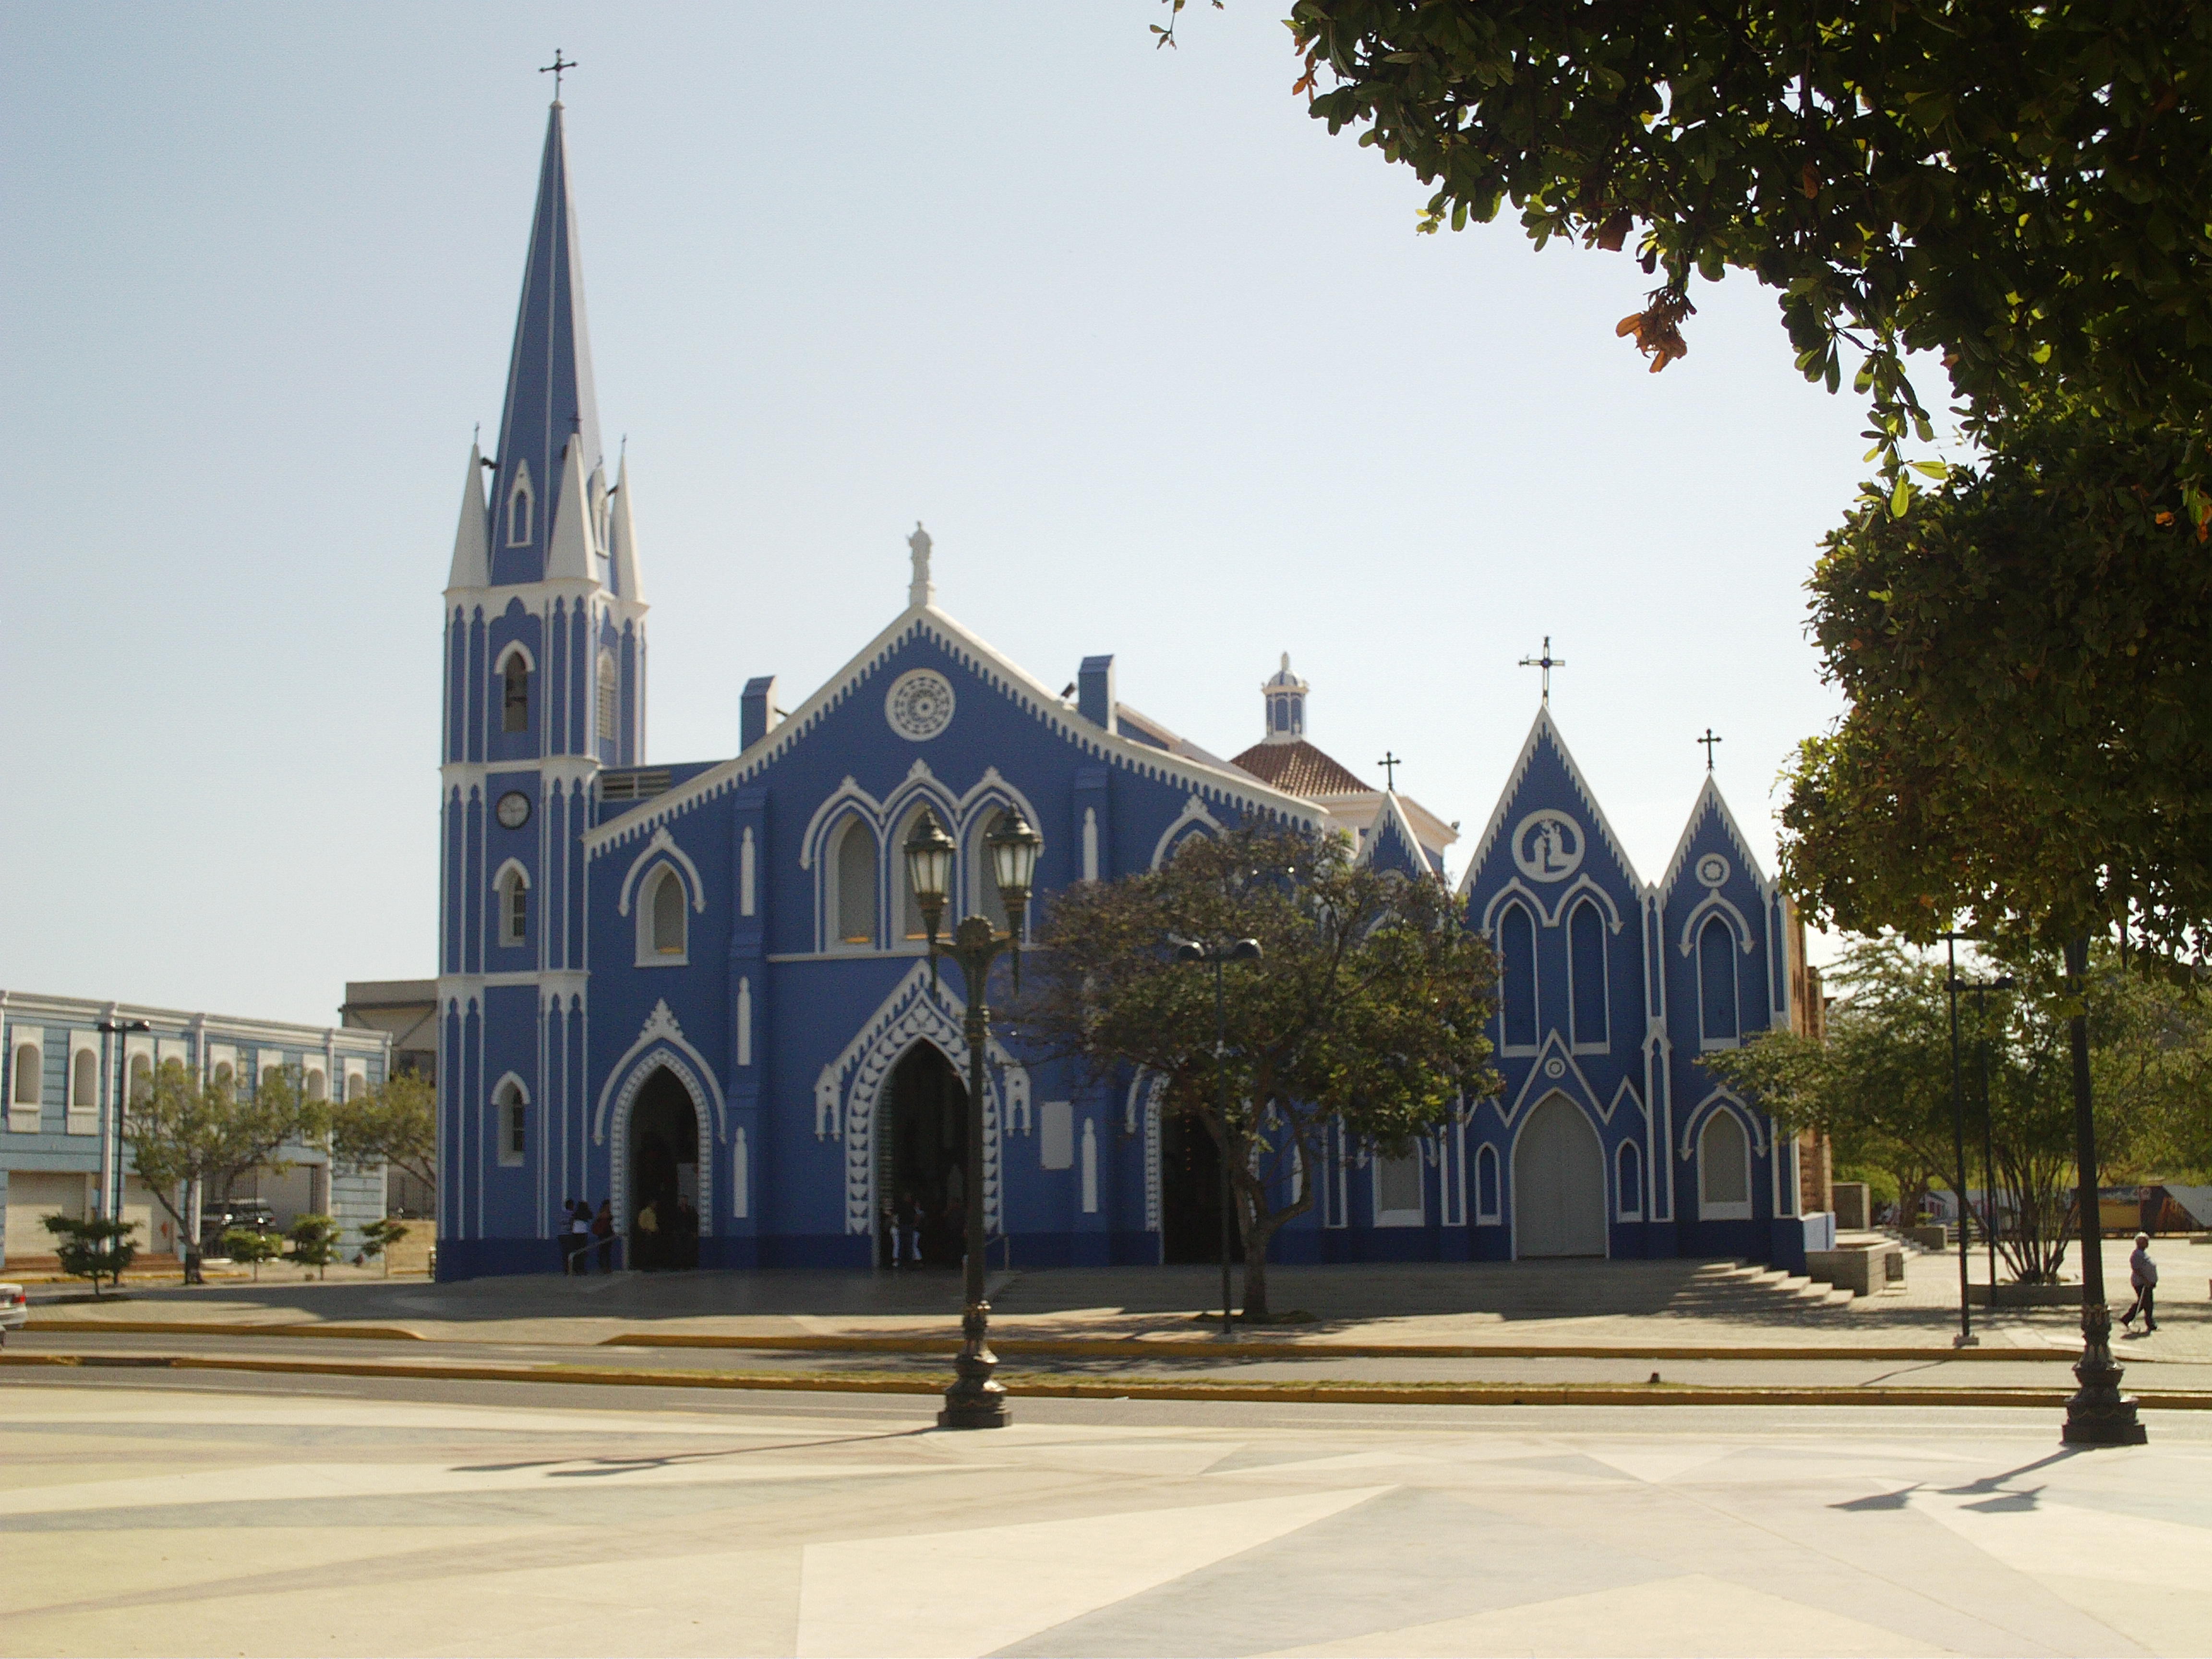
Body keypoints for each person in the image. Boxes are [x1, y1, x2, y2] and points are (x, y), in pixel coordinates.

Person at [2121, 1232, 2159, 1333]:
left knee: (2146, 1303)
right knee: (2145, 1303)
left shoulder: (2143, 1254)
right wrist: (2145, 1280)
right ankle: (2128, 1318)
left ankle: (2147, 1322)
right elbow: (2136, 1269)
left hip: (2147, 1282)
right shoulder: (2137, 1255)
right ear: (2139, 1243)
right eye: (2145, 1242)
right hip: (2141, 1283)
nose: (2147, 1244)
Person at [590, 1198, 615, 1272]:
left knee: (607, 1251)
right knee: (604, 1251)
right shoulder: (602, 1214)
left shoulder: (607, 1214)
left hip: (608, 1233)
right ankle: (604, 1267)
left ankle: (607, 1267)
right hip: (603, 1234)